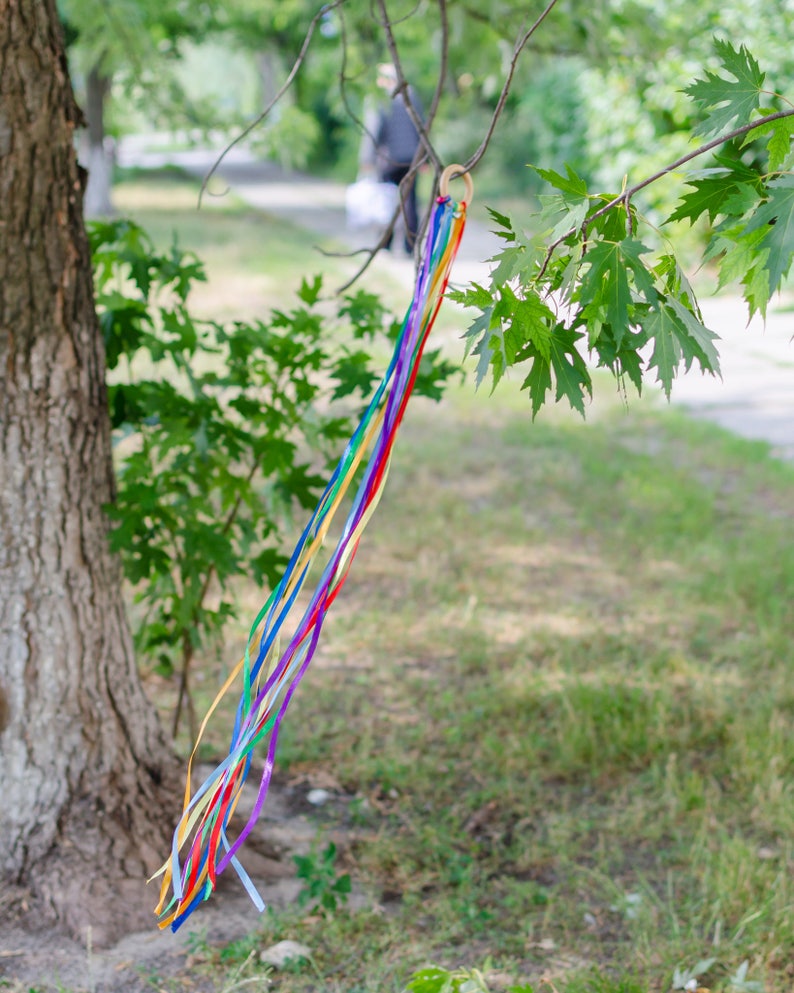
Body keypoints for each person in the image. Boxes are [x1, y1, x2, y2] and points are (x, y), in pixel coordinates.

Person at [361, 63, 424, 253]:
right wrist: (425, 159)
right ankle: (410, 245)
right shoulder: (411, 96)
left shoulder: (379, 98)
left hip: (387, 160)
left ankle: (386, 242)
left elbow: (373, 130)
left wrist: (367, 158)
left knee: (386, 200)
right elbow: (422, 127)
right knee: (410, 202)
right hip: (411, 159)